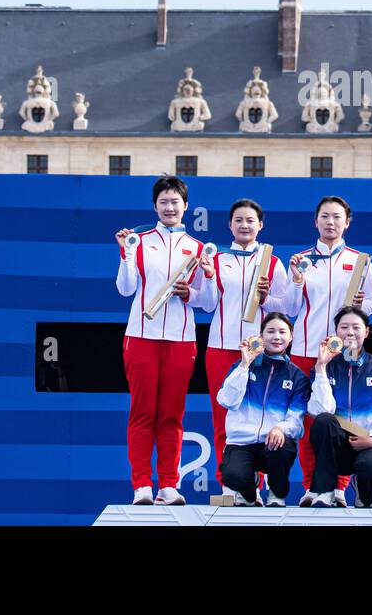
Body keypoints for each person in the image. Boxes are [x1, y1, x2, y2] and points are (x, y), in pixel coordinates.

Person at [113, 176, 208, 507]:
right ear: (155, 206)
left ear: (186, 206)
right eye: (164, 202)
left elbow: (206, 302)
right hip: (141, 337)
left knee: (172, 414)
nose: (170, 208)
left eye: (176, 202)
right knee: (142, 412)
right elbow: (125, 289)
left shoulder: (197, 249)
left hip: (181, 340)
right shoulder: (137, 242)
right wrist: (125, 256)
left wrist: (193, 291)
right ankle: (141, 484)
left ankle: (168, 484)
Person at [190, 198, 293, 497]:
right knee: (223, 416)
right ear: (230, 225)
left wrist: (265, 300)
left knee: (260, 418)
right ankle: (230, 485)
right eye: (239, 220)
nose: (244, 225)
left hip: (261, 353)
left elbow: (286, 308)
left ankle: (258, 486)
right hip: (221, 348)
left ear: (260, 225)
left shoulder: (272, 262)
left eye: (250, 220)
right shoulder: (217, 260)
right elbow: (206, 303)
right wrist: (207, 276)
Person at [288, 195, 372, 505]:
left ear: (347, 222)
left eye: (337, 217)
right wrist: (297, 282)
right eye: (325, 216)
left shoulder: (360, 260)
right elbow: (289, 307)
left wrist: (360, 305)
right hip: (306, 349)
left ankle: (338, 487)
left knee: (341, 420)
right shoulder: (300, 260)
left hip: (346, 353)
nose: (331, 222)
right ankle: (312, 487)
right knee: (309, 422)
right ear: (316, 221)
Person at [306, 307, 372, 508]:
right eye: (344, 327)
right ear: (336, 332)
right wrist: (321, 368)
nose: (350, 332)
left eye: (356, 327)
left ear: (366, 332)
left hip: (371, 443)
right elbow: (321, 410)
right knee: (323, 421)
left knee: (371, 466)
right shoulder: (325, 367)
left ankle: (364, 495)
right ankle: (325, 491)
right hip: (339, 446)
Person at [215, 312, 310, 506]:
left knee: (282, 448)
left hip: (273, 443)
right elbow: (227, 401)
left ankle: (276, 493)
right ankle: (250, 492)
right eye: (271, 331)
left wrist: (280, 428)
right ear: (261, 335)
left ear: (291, 337)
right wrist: (244, 364)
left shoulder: (297, 376)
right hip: (242, 443)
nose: (276, 337)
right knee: (232, 476)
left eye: (282, 332)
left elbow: (297, 421)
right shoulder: (243, 366)